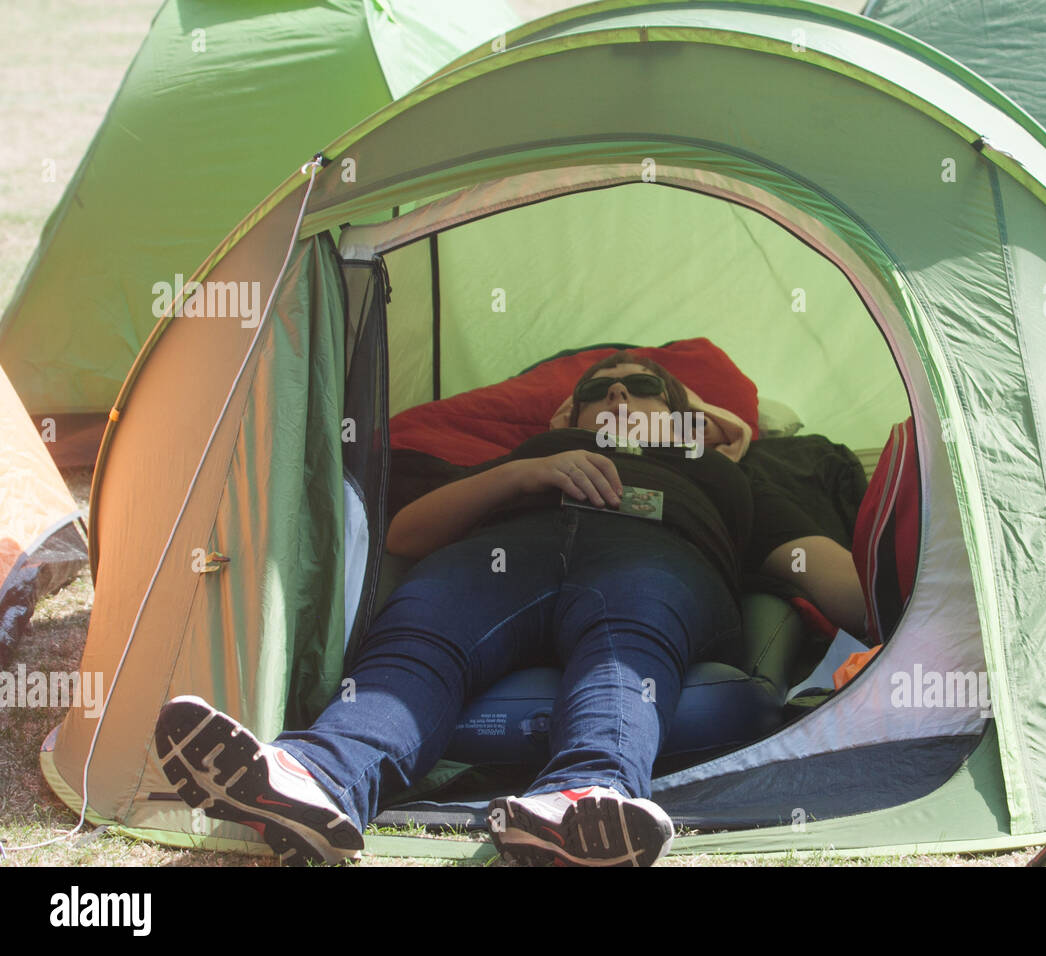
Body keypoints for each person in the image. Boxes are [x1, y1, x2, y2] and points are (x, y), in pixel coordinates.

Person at [155, 352, 867, 866]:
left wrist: (915, 613)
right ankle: (318, 777)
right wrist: (524, 472)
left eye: (641, 386)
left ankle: (585, 796)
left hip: (657, 562)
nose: (617, 393)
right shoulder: (536, 449)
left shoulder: (725, 474)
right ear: (569, 413)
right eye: (599, 389)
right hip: (506, 556)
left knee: (628, 639)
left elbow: (821, 569)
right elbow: (407, 534)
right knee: (420, 627)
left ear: (682, 414)